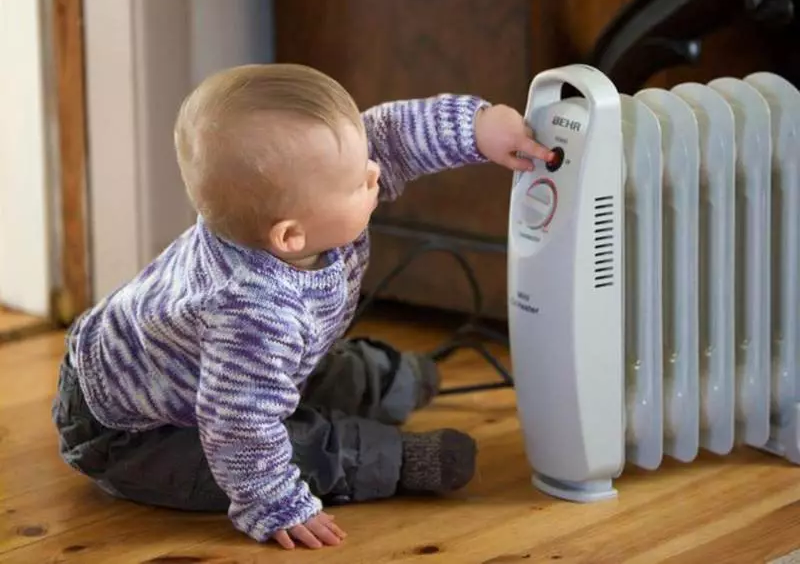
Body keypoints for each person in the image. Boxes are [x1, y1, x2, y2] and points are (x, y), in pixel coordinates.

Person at [52, 63, 554, 550]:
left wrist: (478, 127)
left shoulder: (296, 214)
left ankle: (381, 381)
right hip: (133, 431)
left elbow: (389, 136)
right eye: (359, 178)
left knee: (305, 371)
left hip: (214, 372)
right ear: (291, 236)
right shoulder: (250, 312)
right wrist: (275, 506)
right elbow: (238, 428)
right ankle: (386, 458)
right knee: (288, 446)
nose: (376, 170)